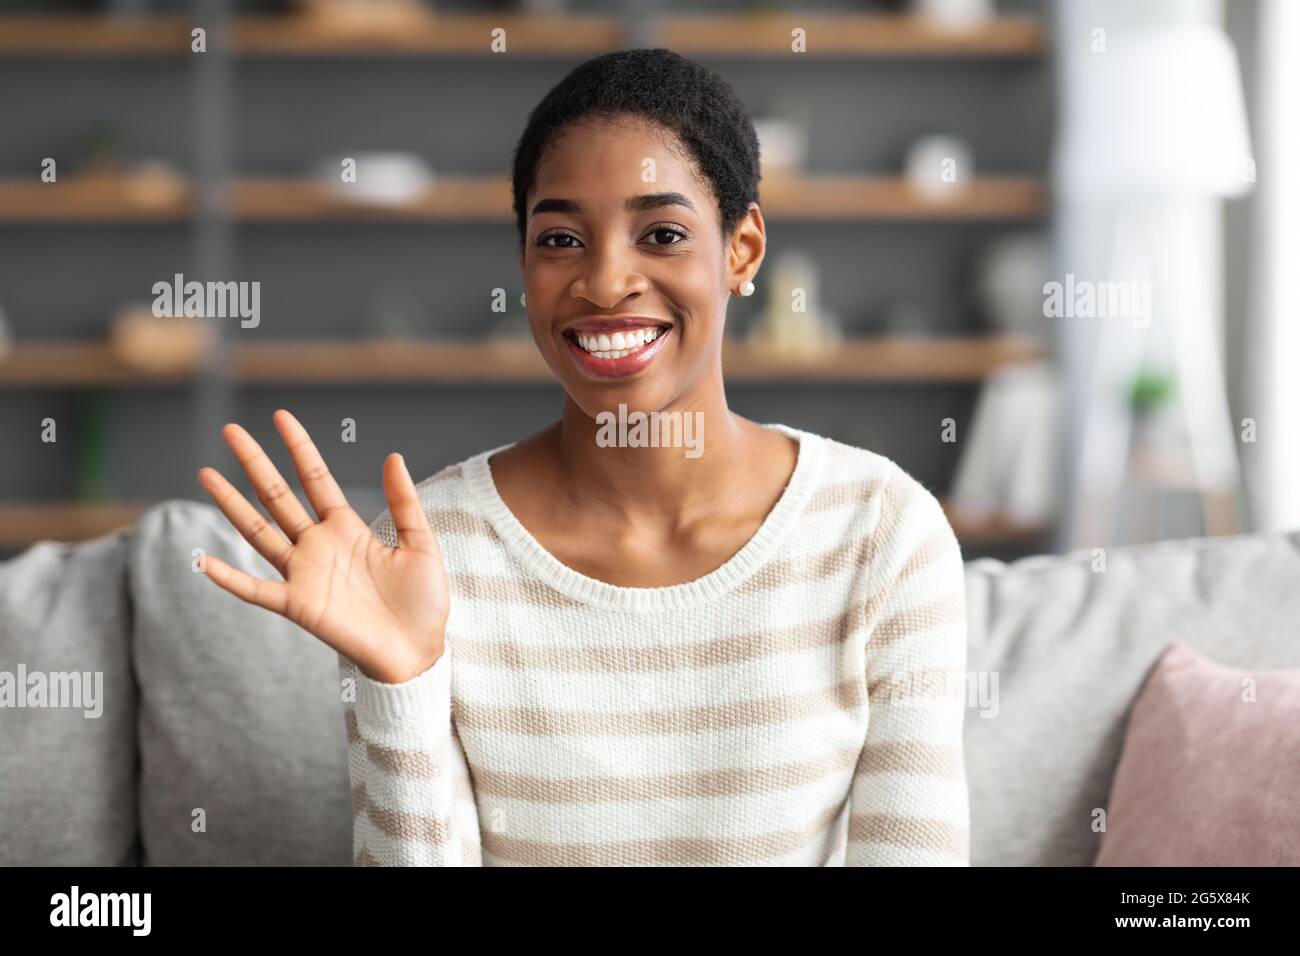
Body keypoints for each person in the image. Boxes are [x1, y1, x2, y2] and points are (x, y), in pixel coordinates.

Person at [197, 48, 970, 866]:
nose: (605, 282)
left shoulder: (882, 535)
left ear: (741, 250)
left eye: (662, 234)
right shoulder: (431, 553)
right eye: (561, 238)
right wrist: (401, 681)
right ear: (525, 268)